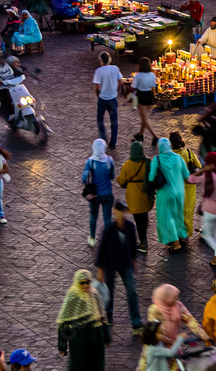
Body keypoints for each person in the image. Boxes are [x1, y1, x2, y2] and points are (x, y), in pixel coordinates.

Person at [94, 201, 142, 334]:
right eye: (119, 211)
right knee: (109, 290)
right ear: (115, 212)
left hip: (125, 263)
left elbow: (133, 245)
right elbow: (102, 248)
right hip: (110, 263)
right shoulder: (109, 229)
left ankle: (136, 322)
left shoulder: (130, 227)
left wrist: (134, 259)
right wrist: (100, 269)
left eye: (124, 211)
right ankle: (108, 313)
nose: (122, 214)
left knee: (131, 291)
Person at [56, 270, 109, 371]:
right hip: (79, 342)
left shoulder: (94, 294)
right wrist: (62, 346)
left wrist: (106, 337)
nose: (85, 285)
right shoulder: (72, 297)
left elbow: (102, 317)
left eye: (87, 282)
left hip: (96, 340)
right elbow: (64, 323)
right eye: (82, 283)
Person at [188, 152, 216, 267]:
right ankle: (215, 258)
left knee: (207, 235)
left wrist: (202, 170)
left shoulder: (206, 176)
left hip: (209, 210)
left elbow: (190, 179)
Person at [148, 138, 189, 253]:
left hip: (165, 193)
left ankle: (175, 243)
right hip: (180, 192)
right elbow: (186, 174)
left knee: (168, 217)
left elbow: (151, 178)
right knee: (178, 215)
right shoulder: (178, 158)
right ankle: (181, 236)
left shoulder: (157, 160)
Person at [116, 140, 153, 254]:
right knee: (144, 217)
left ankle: (143, 243)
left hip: (134, 196)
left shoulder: (127, 164)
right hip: (146, 194)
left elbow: (122, 182)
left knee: (138, 220)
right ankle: (144, 239)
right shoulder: (148, 162)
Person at [82, 139, 115, 248]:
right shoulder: (109, 160)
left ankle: (92, 238)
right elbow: (112, 176)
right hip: (107, 194)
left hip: (94, 196)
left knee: (93, 216)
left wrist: (88, 186)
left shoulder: (90, 161)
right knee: (107, 218)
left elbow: (84, 178)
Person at [168, 131, 200, 239]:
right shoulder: (189, 153)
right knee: (188, 212)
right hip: (190, 188)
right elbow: (199, 166)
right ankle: (186, 235)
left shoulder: (171, 157)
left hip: (177, 188)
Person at [93, 51, 123, 150]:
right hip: (113, 98)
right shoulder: (115, 69)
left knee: (100, 117)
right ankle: (113, 141)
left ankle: (103, 136)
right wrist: (116, 91)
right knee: (114, 120)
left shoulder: (99, 71)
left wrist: (98, 94)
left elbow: (97, 87)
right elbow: (120, 81)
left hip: (103, 99)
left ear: (101, 60)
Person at [131, 57, 158, 146]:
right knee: (144, 118)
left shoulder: (138, 75)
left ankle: (155, 136)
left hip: (142, 96)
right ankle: (140, 135)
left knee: (145, 118)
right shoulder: (152, 75)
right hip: (149, 95)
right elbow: (153, 85)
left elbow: (133, 86)